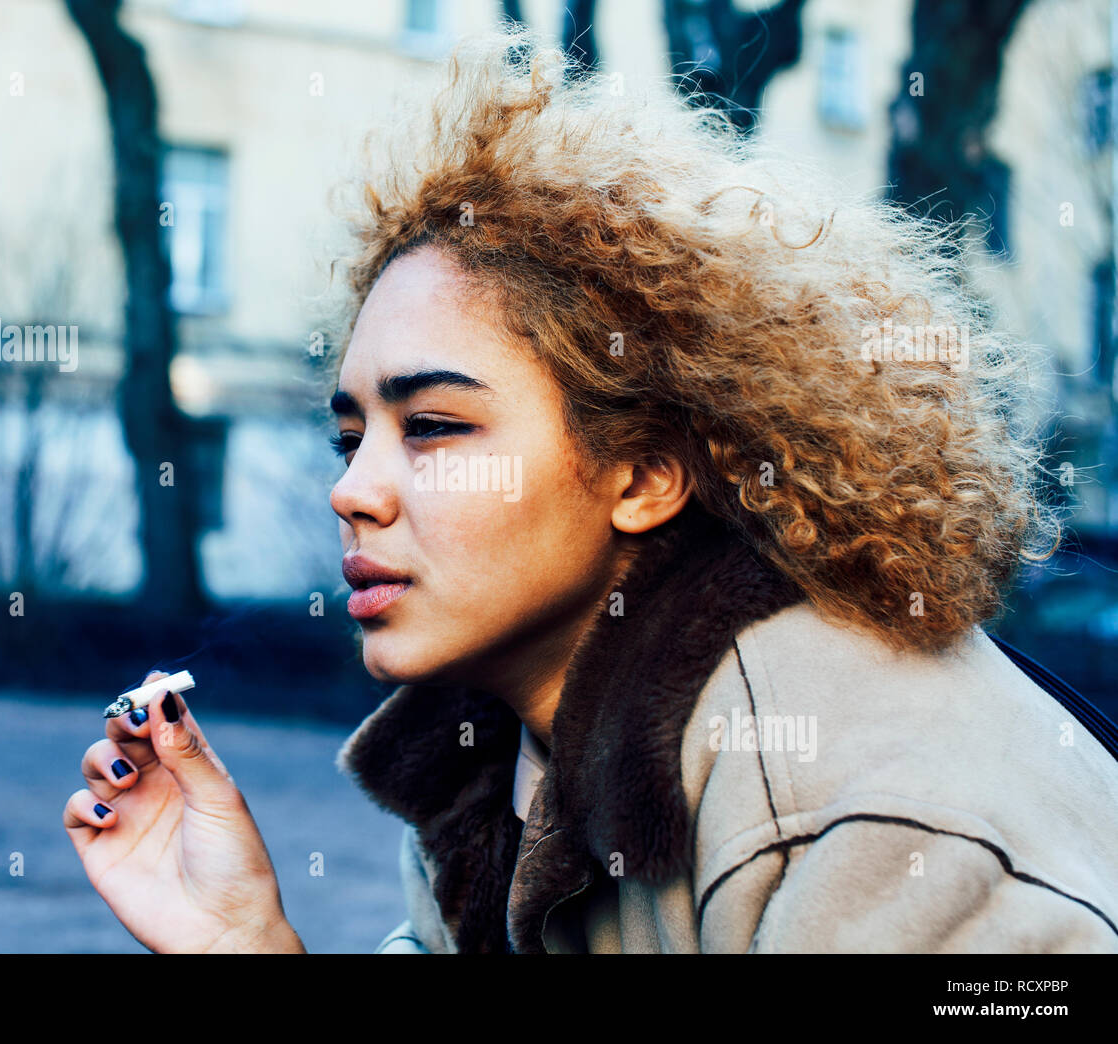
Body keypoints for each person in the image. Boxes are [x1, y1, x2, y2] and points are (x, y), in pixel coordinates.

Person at [63, 25, 1118, 953]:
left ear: (647, 476)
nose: (353, 491)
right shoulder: (496, 756)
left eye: (432, 427)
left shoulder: (866, 814)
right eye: (350, 437)